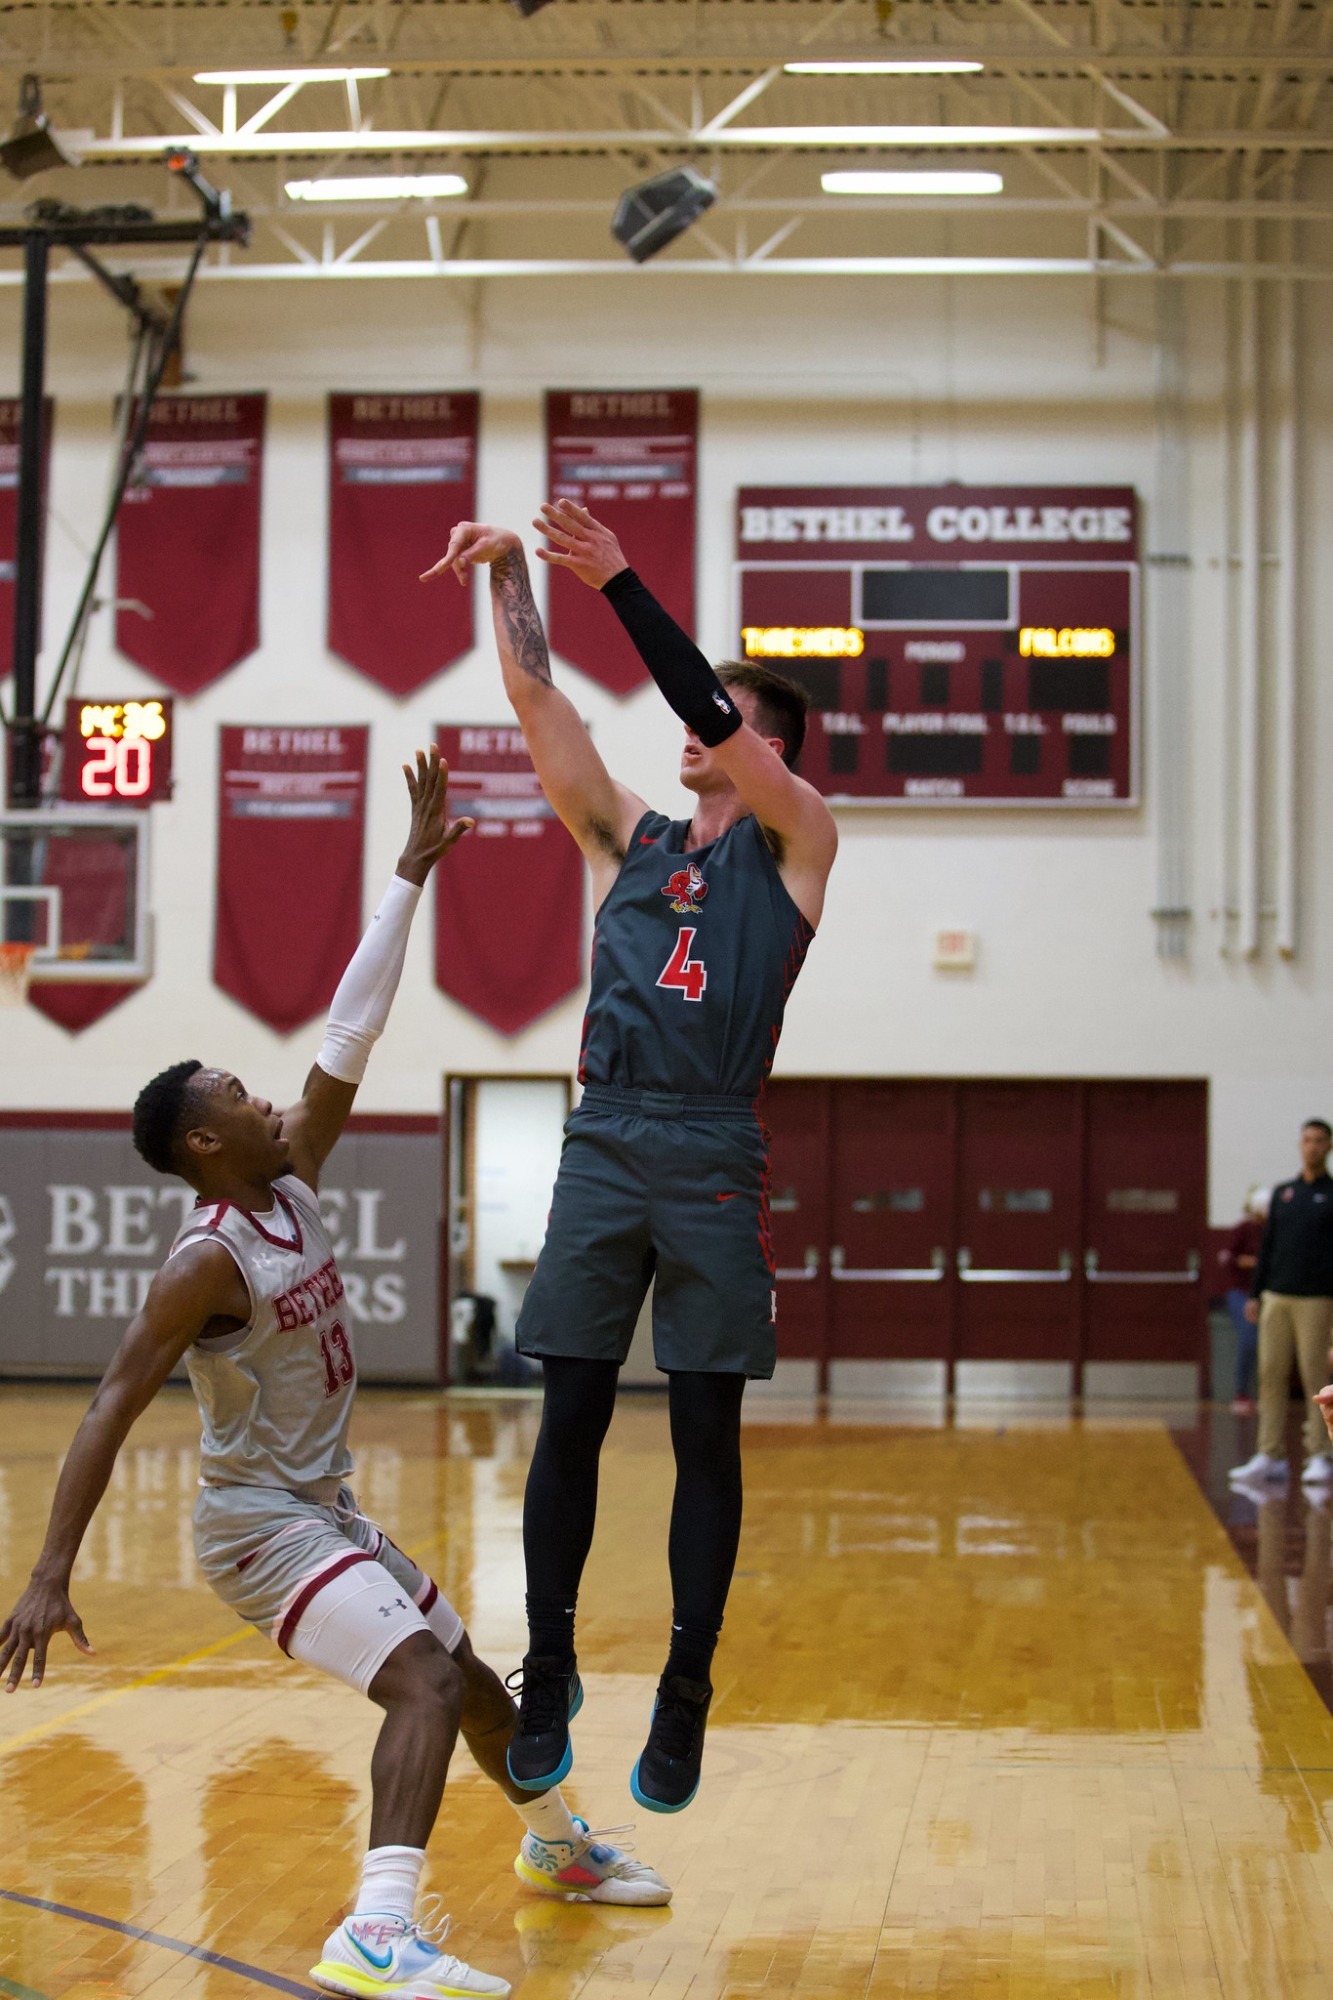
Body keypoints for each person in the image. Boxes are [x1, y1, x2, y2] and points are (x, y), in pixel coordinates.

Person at [0, 749, 669, 2000]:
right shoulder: (204, 1261)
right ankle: (376, 1930)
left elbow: (350, 1026)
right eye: (241, 1095)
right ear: (206, 1141)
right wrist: (48, 1570)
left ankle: (559, 1846)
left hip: (325, 1507)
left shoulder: (292, 1169)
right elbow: (108, 1402)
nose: (269, 1097)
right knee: (419, 1677)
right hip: (257, 1529)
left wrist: (408, 877)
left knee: (474, 1686)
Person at [423, 500, 837, 1816]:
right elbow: (546, 712)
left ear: (764, 748)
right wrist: (508, 583)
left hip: (714, 1140)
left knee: (705, 1427)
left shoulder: (799, 842)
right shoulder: (629, 838)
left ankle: (686, 1687)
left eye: (723, 711)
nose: (695, 720)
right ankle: (549, 1666)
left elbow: (701, 708)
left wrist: (623, 582)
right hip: (604, 1131)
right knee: (573, 1410)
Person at [1230, 1118, 1333, 1492]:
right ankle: (1269, 1454)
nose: (1312, 1147)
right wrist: (1256, 1294)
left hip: (1317, 1299)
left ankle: (1319, 1454)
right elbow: (1267, 1248)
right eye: (1307, 1140)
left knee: (1314, 1378)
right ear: (1299, 1145)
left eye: (1320, 1141)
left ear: (1329, 1146)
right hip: (1277, 1296)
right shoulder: (1284, 1194)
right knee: (1270, 1374)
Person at [1223, 1186, 1270, 1413]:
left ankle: (1267, 1393)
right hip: (1242, 1292)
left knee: (1270, 1345)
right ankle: (1241, 1392)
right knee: (1249, 1339)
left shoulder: (1273, 1229)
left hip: (1267, 1295)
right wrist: (1252, 1263)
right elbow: (1229, 1258)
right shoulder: (1243, 1229)